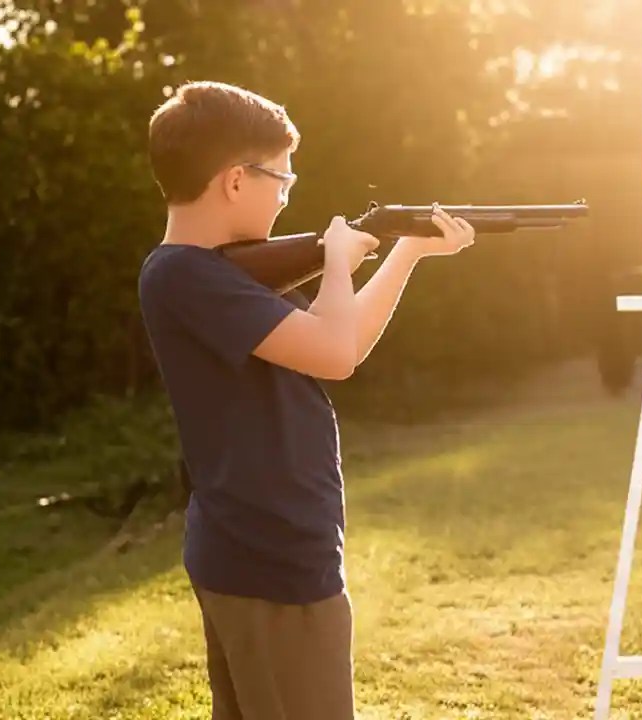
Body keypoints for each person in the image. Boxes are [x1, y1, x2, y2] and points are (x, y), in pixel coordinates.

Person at [137, 81, 475, 719]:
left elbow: (339, 344)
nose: (286, 196)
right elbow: (332, 351)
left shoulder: (211, 272)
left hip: (261, 550)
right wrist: (339, 262)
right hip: (270, 558)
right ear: (236, 180)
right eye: (281, 182)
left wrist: (404, 253)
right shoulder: (186, 274)